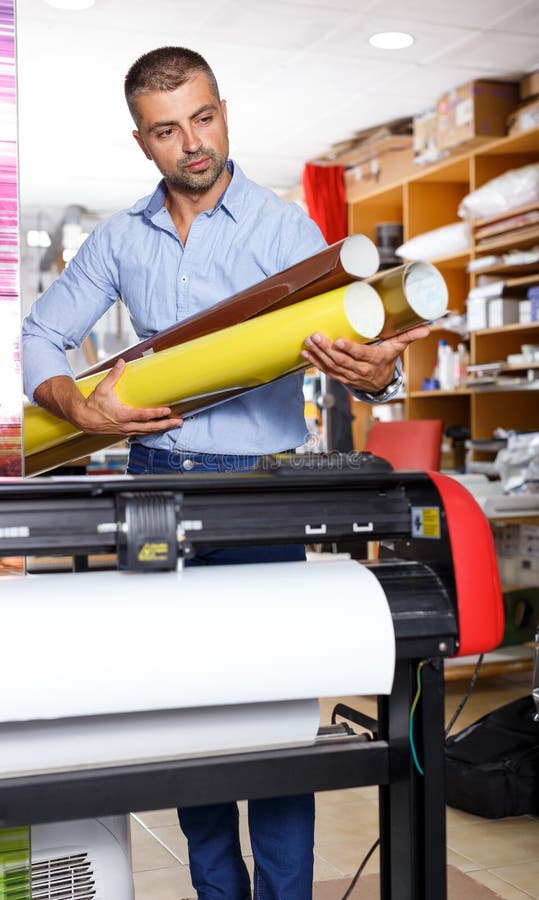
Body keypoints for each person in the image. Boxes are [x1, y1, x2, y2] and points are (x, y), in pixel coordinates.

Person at [22, 46, 429, 899]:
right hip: (151, 487)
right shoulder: (120, 238)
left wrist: (374, 373)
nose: (192, 143)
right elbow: (40, 336)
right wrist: (77, 401)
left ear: (224, 112)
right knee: (183, 717)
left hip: (256, 492)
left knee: (273, 716)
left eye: (203, 118)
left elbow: (360, 351)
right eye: (167, 130)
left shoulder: (285, 230)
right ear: (143, 142)